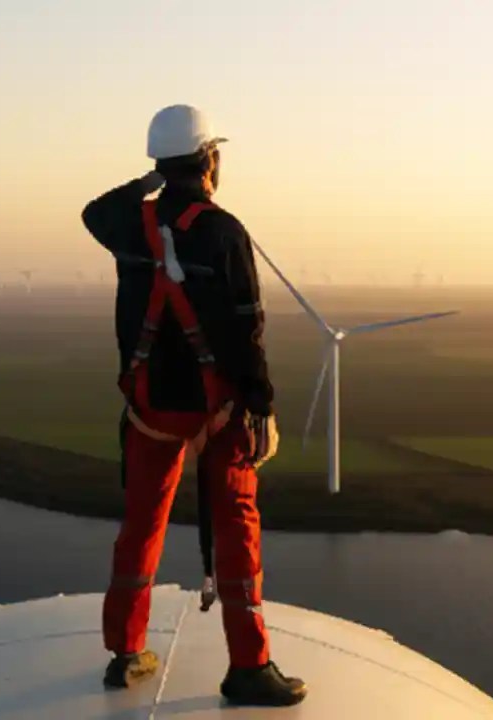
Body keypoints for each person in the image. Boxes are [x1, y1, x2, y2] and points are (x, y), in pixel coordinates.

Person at [81, 103, 306, 706]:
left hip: (150, 411)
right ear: (211, 158)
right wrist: (262, 407)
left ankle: (125, 653)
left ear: (162, 165)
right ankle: (249, 667)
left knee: (141, 529)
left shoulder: (132, 223)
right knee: (237, 535)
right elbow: (246, 330)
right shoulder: (225, 231)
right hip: (218, 413)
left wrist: (150, 184)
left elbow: (91, 213)